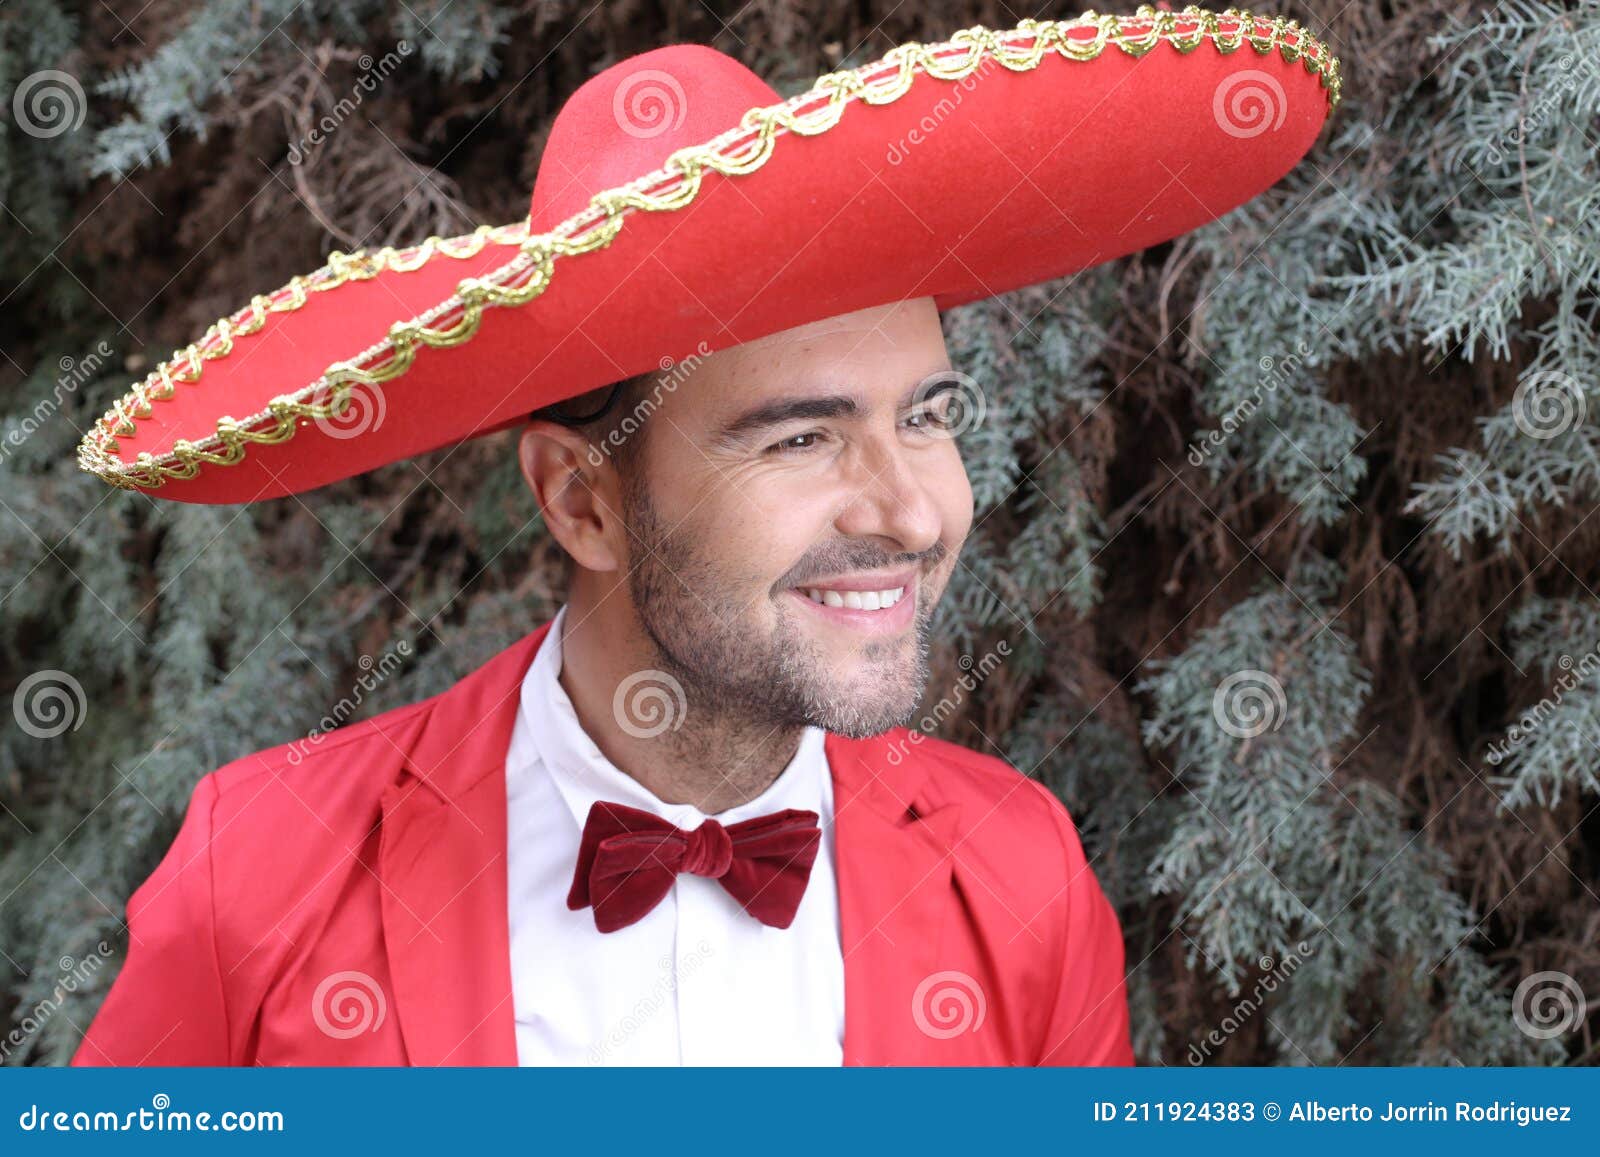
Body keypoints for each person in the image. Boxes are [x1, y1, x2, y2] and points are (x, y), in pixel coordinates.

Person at [70, 8, 1340, 1065]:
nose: (908, 511)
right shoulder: (268, 865)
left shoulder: (1017, 873)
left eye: (928, 415)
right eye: (801, 438)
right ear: (584, 501)